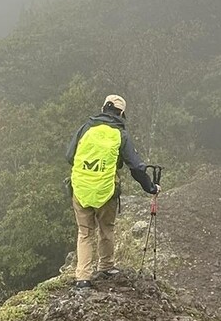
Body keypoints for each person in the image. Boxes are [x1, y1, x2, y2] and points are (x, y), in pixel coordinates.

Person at [66, 94, 158, 288]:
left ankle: (83, 277)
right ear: (121, 113)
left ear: (103, 108)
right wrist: (150, 187)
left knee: (85, 233)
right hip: (106, 190)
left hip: (80, 187)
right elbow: (136, 167)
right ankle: (106, 266)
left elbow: (69, 156)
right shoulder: (120, 134)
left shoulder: (86, 128)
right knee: (106, 228)